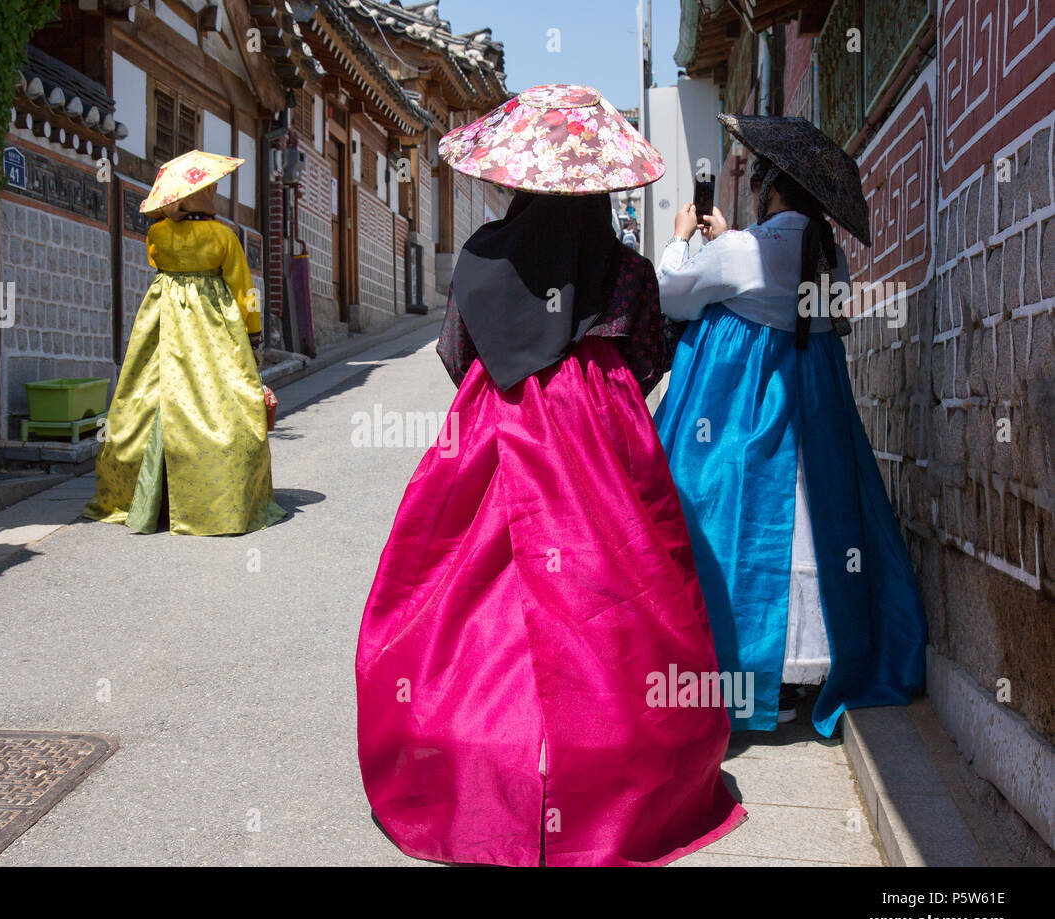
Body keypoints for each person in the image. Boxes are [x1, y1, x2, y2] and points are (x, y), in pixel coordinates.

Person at [356, 84, 745, 867]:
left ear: (518, 179)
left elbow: (456, 354)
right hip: (602, 435)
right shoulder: (628, 269)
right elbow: (649, 361)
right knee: (612, 592)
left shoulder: (479, 260)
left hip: (491, 426)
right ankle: (608, 774)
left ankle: (481, 760)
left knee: (469, 596)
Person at [653, 114, 927, 735]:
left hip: (746, 411)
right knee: (815, 530)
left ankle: (748, 676)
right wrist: (734, 241)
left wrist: (684, 240)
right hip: (817, 413)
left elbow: (675, 292)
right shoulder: (829, 258)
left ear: (769, 187)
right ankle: (811, 673)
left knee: (743, 530)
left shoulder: (744, 250)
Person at [84, 150, 285, 535]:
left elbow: (155, 263)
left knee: (148, 397)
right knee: (220, 402)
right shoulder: (224, 235)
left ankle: (146, 498)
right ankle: (215, 498)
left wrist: (168, 217)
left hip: (163, 322)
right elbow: (243, 289)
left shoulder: (157, 233)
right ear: (204, 196)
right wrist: (254, 334)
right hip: (213, 325)